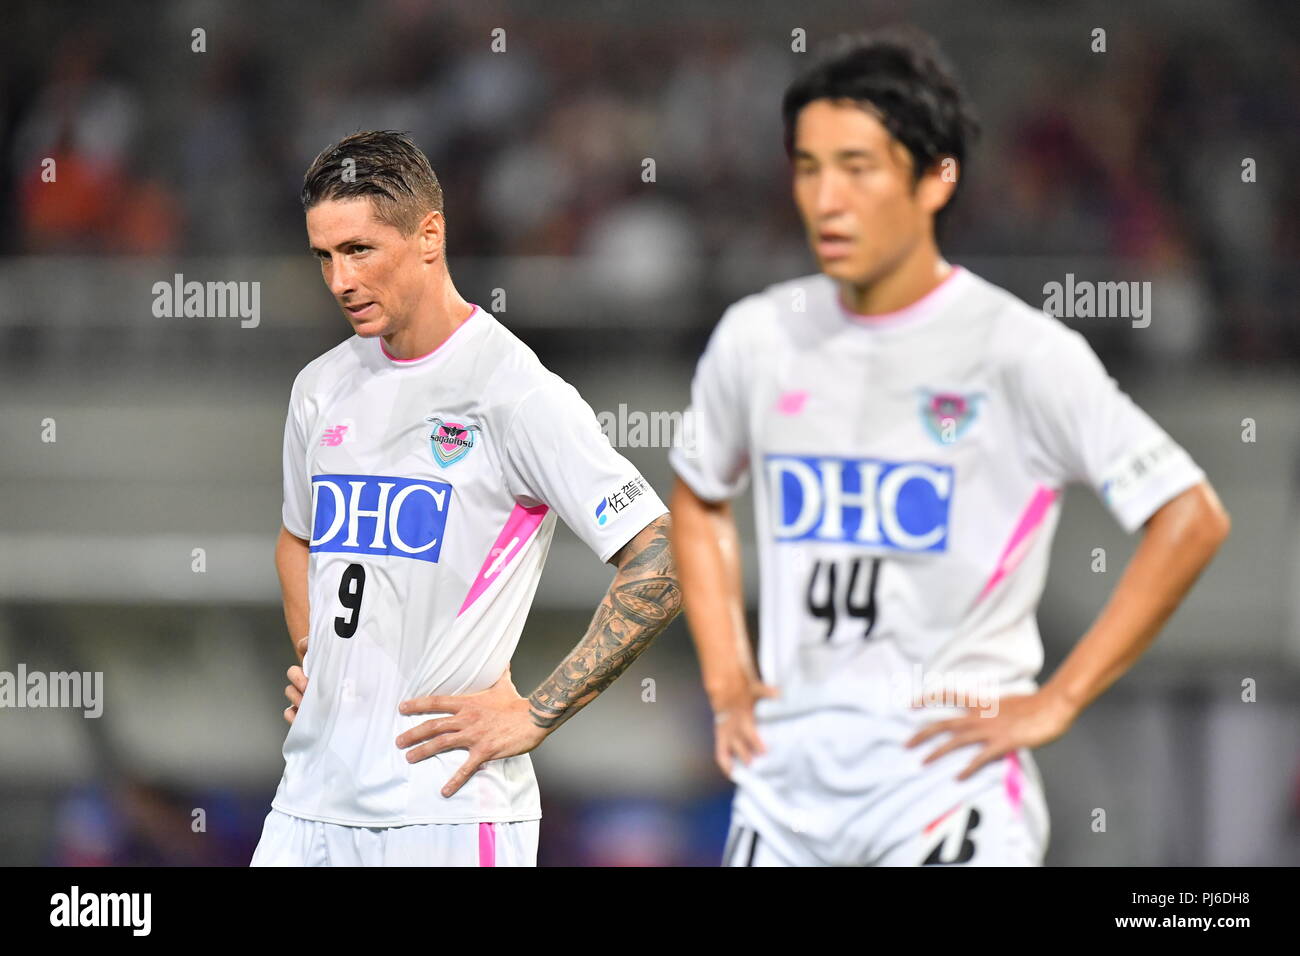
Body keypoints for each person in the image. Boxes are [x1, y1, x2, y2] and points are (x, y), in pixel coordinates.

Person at [668, 30, 1231, 866]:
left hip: (946, 783)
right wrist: (726, 674)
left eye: (857, 168)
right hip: (786, 788)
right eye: (808, 166)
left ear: (937, 177)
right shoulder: (760, 336)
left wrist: (1058, 700)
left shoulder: (1018, 351)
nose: (827, 198)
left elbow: (1191, 517)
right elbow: (698, 490)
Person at [252, 131, 680, 867]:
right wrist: (314, 654)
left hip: (443, 809)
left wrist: (538, 712)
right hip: (307, 802)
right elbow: (298, 539)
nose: (338, 280)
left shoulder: (515, 393)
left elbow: (663, 557)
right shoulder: (320, 387)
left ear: (429, 235)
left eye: (358, 250)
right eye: (323, 255)